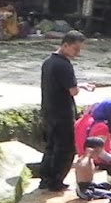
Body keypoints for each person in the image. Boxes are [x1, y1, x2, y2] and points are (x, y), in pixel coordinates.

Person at [37, 31, 89, 192]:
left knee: (51, 147)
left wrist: (80, 85)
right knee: (65, 148)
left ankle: (45, 179)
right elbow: (73, 91)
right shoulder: (64, 65)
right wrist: (80, 87)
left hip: (48, 111)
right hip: (62, 113)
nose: (77, 53)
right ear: (65, 45)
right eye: (75, 49)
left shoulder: (48, 62)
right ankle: (56, 181)